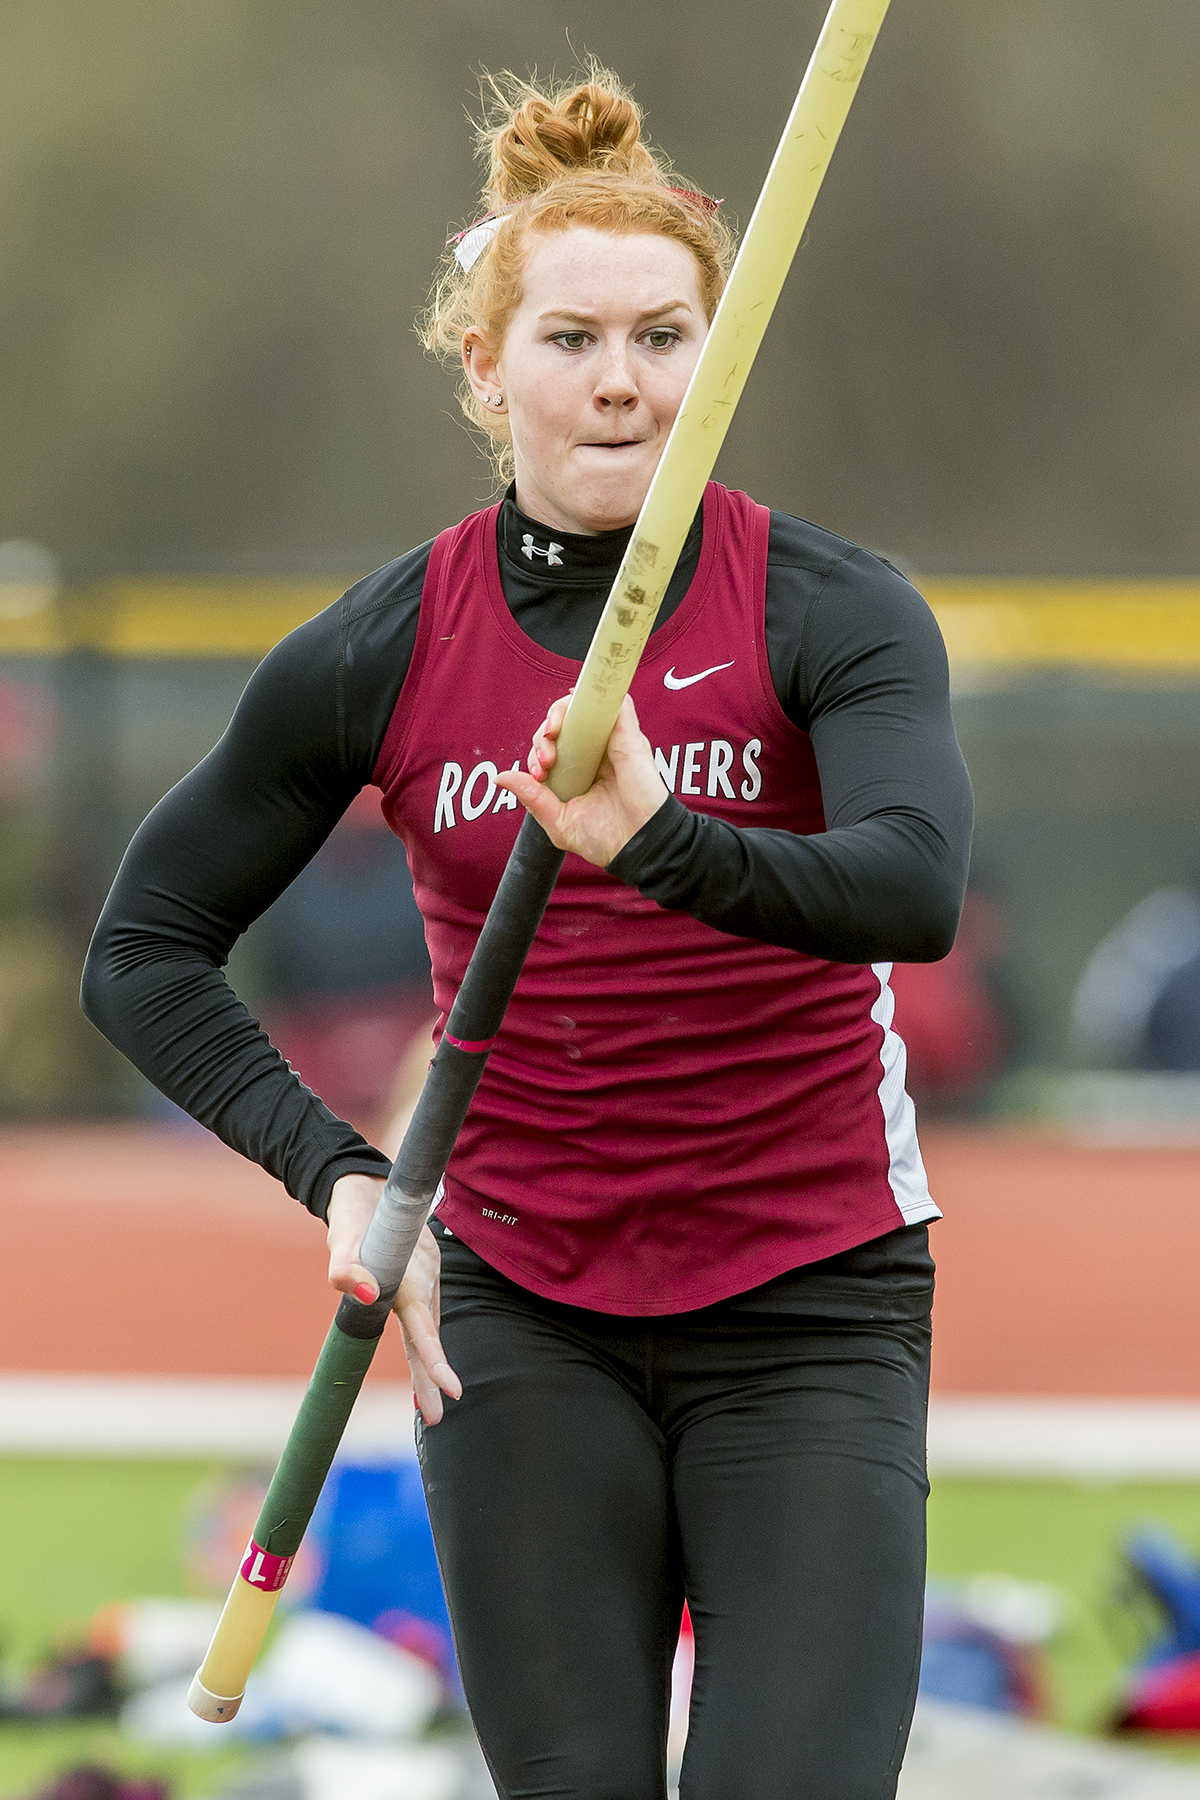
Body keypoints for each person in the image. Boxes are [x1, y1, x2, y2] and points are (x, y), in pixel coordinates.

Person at [82, 70, 974, 1800]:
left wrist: (662, 841)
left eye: (663, 337)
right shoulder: (390, 643)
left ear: (718, 358)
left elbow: (911, 887)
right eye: (572, 339)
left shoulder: (831, 607)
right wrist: (341, 1177)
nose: (622, 380)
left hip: (812, 1301)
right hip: (519, 1315)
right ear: (489, 369)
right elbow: (143, 946)